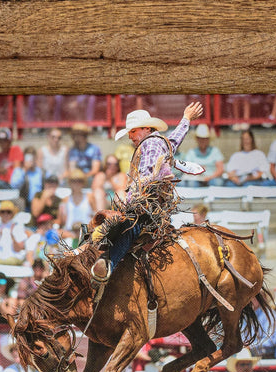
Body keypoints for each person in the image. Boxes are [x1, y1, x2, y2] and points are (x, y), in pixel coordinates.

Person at [86, 101, 204, 283]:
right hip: (156, 208)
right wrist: (186, 119)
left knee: (129, 226)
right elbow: (173, 142)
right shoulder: (159, 143)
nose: (131, 136)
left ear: (146, 128)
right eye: (130, 132)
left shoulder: (149, 144)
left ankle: (109, 263)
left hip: (146, 208)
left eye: (133, 131)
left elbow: (148, 173)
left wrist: (133, 199)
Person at [0, 200, 28, 265]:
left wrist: (12, 236)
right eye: (3, 212)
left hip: (13, 257)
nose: (5, 214)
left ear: (12, 214)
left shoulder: (18, 227)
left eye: (8, 212)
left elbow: (18, 249)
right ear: (0, 214)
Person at [58, 170, 94, 236]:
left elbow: (95, 215)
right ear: (70, 182)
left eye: (80, 181)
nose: (77, 183)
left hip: (86, 232)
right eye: (74, 181)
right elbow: (61, 220)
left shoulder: (90, 197)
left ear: (84, 183)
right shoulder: (65, 199)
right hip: (70, 232)